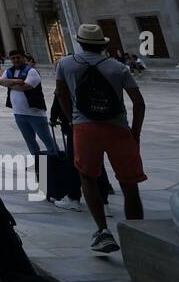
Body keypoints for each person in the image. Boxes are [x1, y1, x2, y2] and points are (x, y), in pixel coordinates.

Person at [54, 24, 147, 254]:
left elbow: (61, 94)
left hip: (85, 128)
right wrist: (135, 132)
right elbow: (138, 103)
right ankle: (136, 235)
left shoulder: (66, 63)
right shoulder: (117, 67)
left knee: (88, 178)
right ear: (102, 45)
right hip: (118, 128)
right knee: (129, 183)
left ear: (80, 42)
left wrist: (73, 120)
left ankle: (103, 232)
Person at [0, 48, 58, 154]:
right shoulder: (9, 71)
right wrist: (16, 81)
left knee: (46, 139)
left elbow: (26, 87)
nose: (16, 60)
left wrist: (10, 84)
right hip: (19, 113)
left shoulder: (31, 71)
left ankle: (57, 161)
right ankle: (39, 164)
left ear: (23, 58)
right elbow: (1, 82)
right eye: (13, 58)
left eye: (18, 57)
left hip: (35, 113)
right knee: (30, 141)